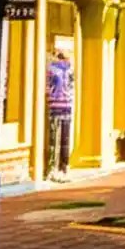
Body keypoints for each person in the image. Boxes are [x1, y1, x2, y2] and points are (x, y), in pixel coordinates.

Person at [45, 50, 74, 180]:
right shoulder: (70, 70)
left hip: (55, 106)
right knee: (64, 139)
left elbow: (47, 87)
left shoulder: (51, 69)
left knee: (54, 140)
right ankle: (64, 167)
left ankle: (53, 168)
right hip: (67, 106)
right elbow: (72, 88)